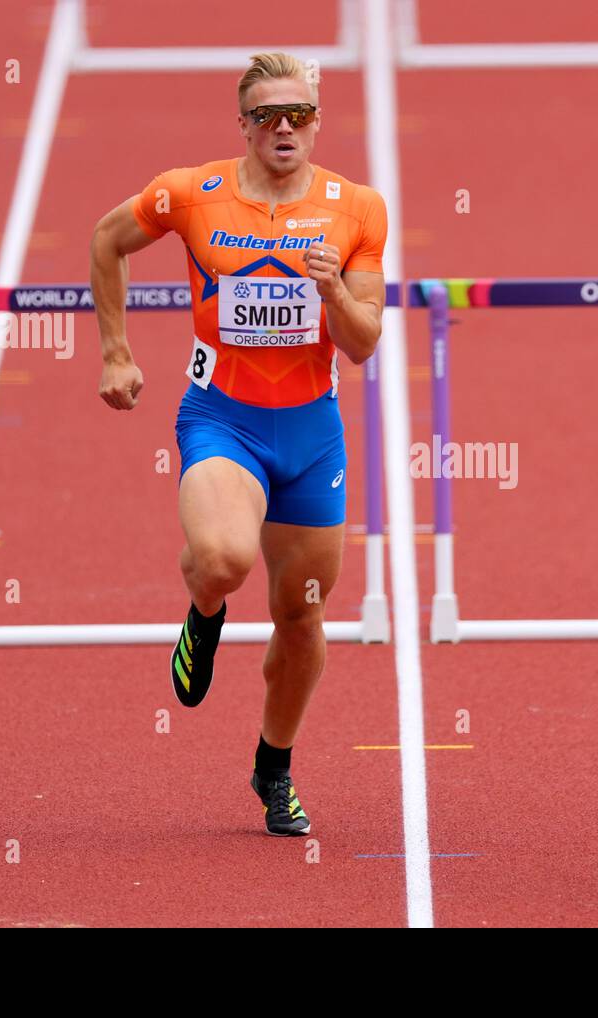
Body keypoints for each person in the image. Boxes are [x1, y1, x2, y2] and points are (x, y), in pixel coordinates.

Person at [89, 52, 387, 837]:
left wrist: (330, 292)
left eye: (297, 113)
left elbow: (364, 345)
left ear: (318, 121)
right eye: (266, 115)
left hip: (312, 435)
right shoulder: (192, 193)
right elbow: (106, 240)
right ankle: (204, 608)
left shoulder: (357, 208)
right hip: (221, 418)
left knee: (302, 615)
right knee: (224, 558)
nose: (282, 127)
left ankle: (273, 767)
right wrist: (116, 352)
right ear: (245, 125)